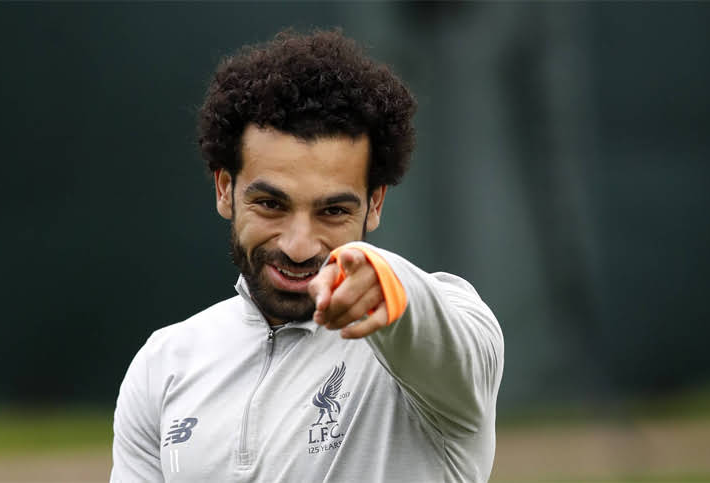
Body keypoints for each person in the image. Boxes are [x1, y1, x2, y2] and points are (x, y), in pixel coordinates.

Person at [111, 29, 504, 483]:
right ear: (224, 189)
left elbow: (444, 341)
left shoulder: (449, 325)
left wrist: (388, 285)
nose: (298, 246)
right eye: (271, 204)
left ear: (375, 203)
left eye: (332, 211)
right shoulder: (163, 364)